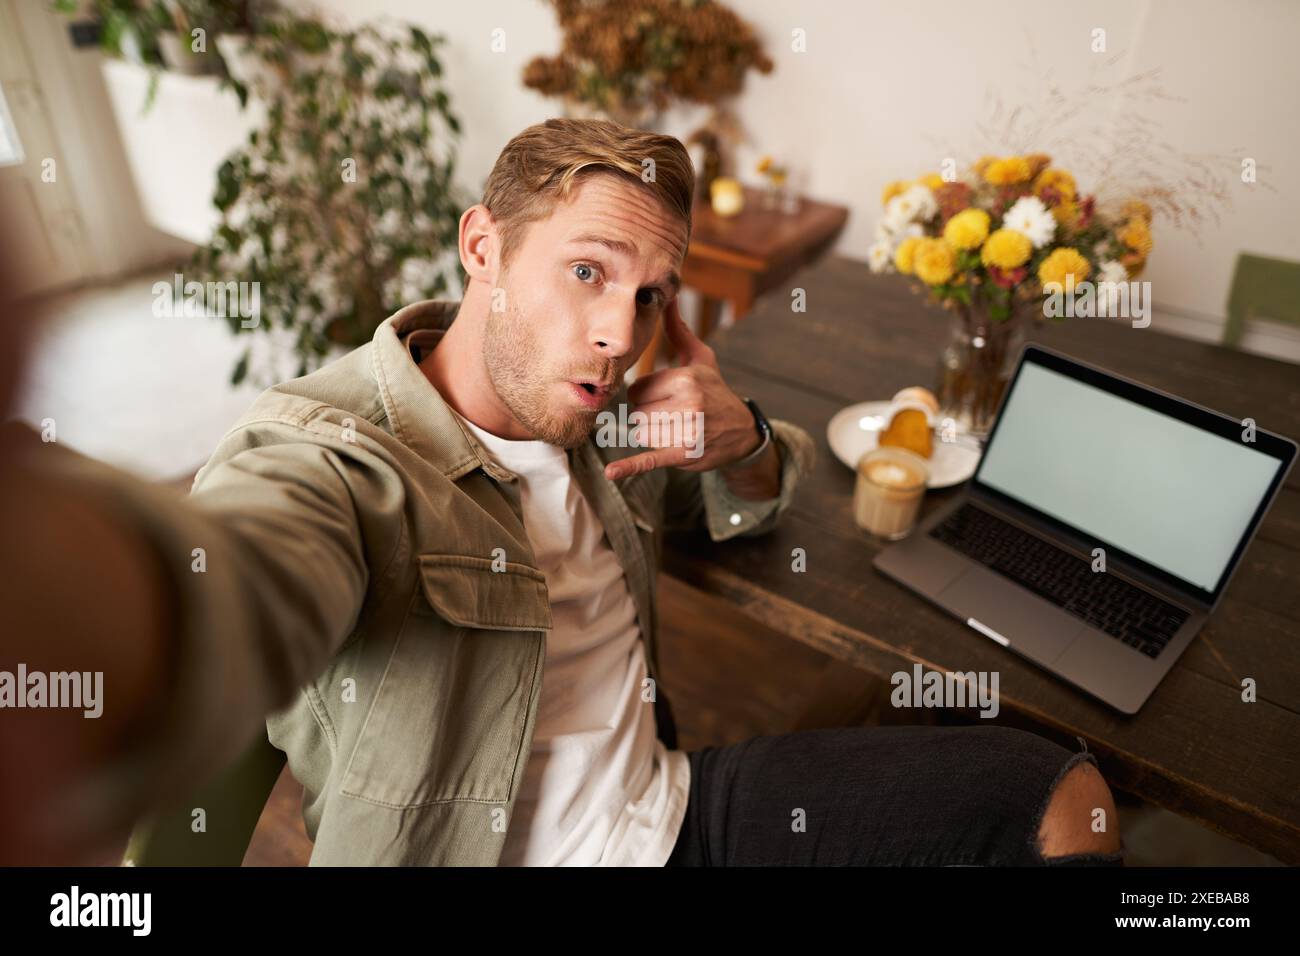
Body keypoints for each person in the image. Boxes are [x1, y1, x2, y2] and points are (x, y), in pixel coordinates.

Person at [0, 118, 1123, 866]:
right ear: (482, 245)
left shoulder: (599, 413)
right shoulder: (334, 458)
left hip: (674, 813)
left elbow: (748, 499)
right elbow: (243, 581)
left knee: (1067, 799)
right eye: (586, 270)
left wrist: (738, 441)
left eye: (650, 295)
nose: (616, 332)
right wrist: (75, 593)